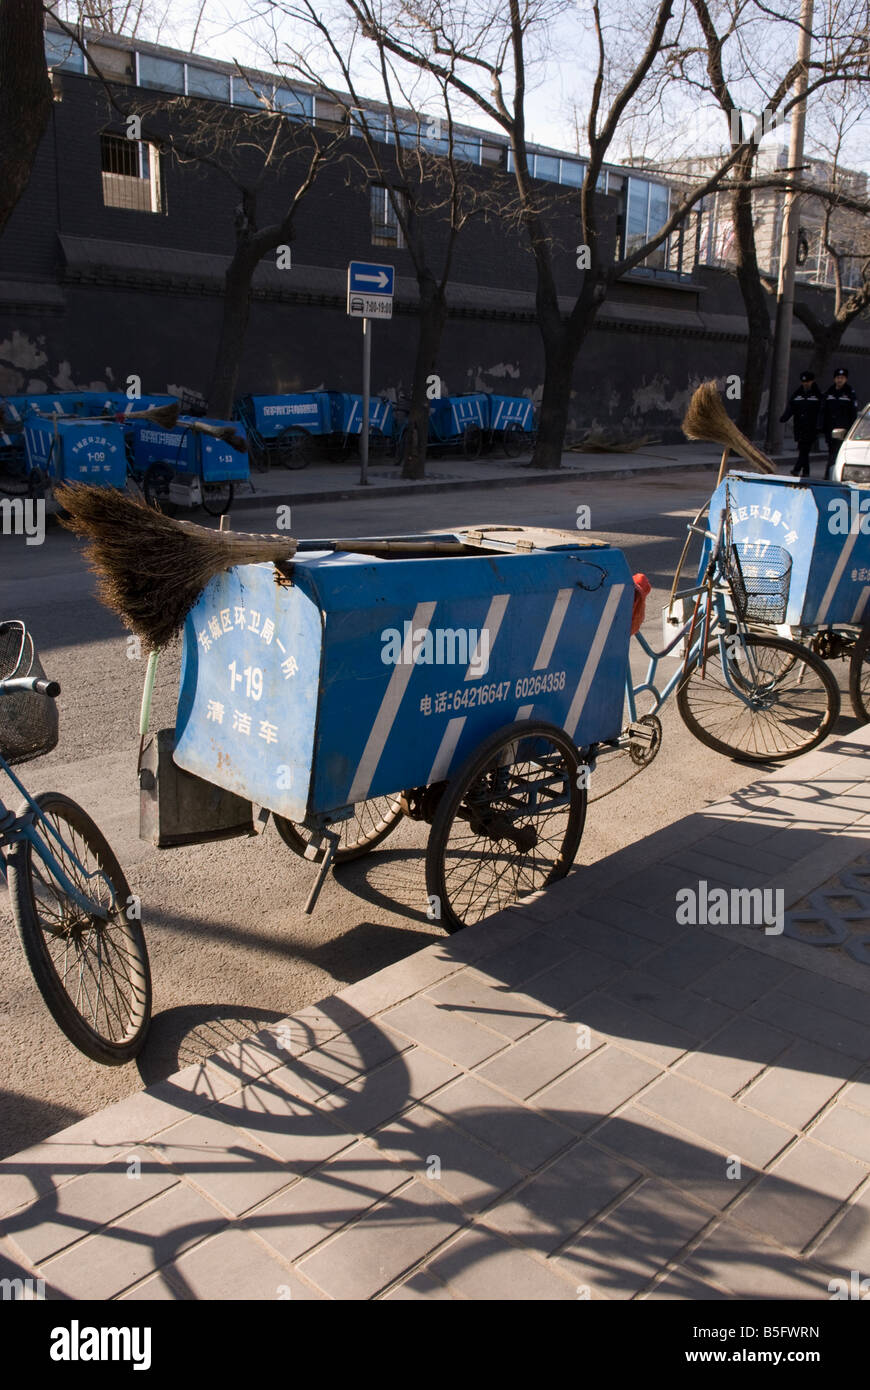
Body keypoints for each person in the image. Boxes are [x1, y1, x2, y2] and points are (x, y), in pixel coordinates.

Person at [780, 370, 823, 478]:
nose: (805, 384)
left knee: (805, 449)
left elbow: (822, 411)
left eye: (808, 382)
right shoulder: (797, 394)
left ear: (812, 381)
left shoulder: (817, 395)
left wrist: (820, 425)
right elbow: (791, 407)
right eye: (804, 382)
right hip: (799, 427)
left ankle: (796, 469)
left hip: (811, 427)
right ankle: (806, 472)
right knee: (803, 450)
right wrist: (784, 417)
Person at [822, 366, 858, 478]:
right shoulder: (829, 392)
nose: (839, 380)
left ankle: (830, 475)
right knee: (831, 452)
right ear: (834, 379)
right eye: (838, 377)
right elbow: (823, 410)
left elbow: (853, 413)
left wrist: (851, 429)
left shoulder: (850, 393)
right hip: (830, 428)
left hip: (843, 429)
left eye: (842, 378)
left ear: (846, 379)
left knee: (836, 453)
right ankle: (829, 474)